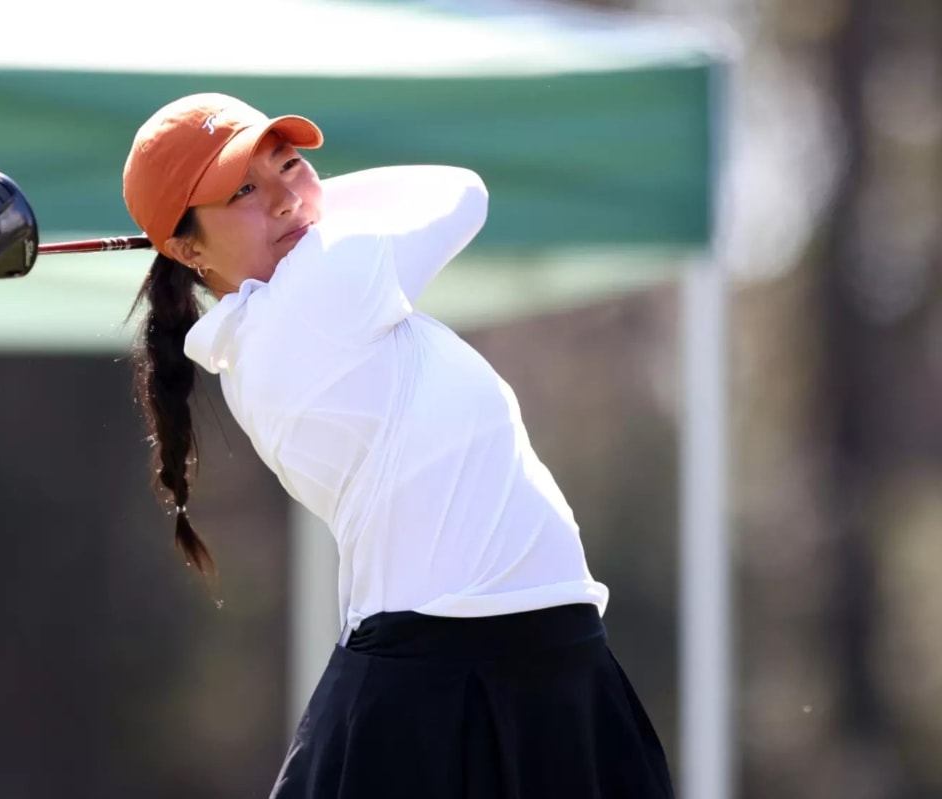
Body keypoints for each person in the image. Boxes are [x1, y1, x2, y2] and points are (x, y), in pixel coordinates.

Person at [120, 92, 675, 799]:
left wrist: (270, 213)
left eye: (289, 166)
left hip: (495, 667)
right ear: (186, 248)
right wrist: (311, 207)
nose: (285, 198)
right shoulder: (322, 285)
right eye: (242, 192)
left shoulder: (259, 334)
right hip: (462, 680)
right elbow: (461, 193)